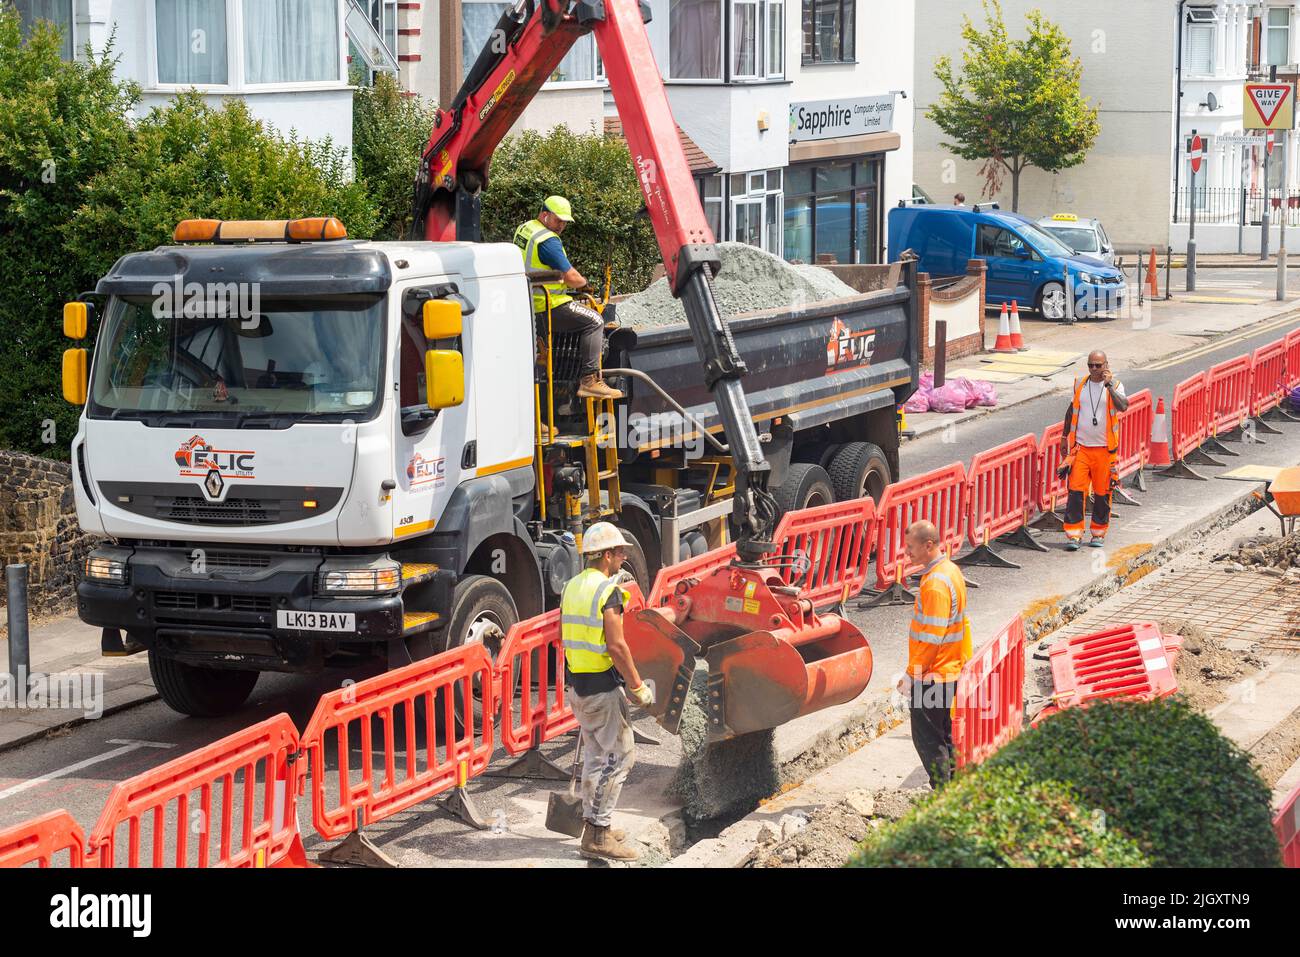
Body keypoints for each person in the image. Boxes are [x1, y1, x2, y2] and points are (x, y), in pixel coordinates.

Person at [561, 522, 655, 862]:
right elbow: (616, 645)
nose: (623, 556)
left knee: (596, 757)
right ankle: (598, 835)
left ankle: (594, 824)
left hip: (578, 688)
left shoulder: (571, 587)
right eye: (618, 552)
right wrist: (637, 687)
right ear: (603, 556)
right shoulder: (608, 591)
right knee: (620, 758)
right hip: (602, 688)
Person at [514, 196, 622, 400]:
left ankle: (538, 419)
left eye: (565, 222)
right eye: (558, 220)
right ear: (545, 214)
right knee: (595, 321)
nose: (562, 225)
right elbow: (571, 277)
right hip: (547, 305)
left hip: (528, 304)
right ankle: (589, 381)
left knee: (539, 362)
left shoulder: (526, 229)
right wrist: (585, 285)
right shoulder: (548, 241)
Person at [898, 520, 972, 789]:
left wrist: (910, 675)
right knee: (944, 734)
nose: (907, 553)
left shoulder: (935, 585)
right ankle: (953, 788)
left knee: (929, 739)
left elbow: (931, 638)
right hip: (947, 670)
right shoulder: (950, 571)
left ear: (928, 545)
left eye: (911, 547)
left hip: (933, 675)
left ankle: (942, 793)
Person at [1058, 350, 1129, 550]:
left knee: (1102, 493)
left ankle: (1098, 532)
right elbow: (1071, 411)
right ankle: (1074, 535)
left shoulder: (1115, 385)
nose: (1095, 369)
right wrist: (1064, 437)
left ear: (1106, 365)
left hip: (1105, 451)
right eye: (1091, 365)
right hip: (1081, 449)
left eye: (1098, 365)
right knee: (1075, 493)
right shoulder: (1080, 384)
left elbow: (1123, 406)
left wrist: (1108, 386)